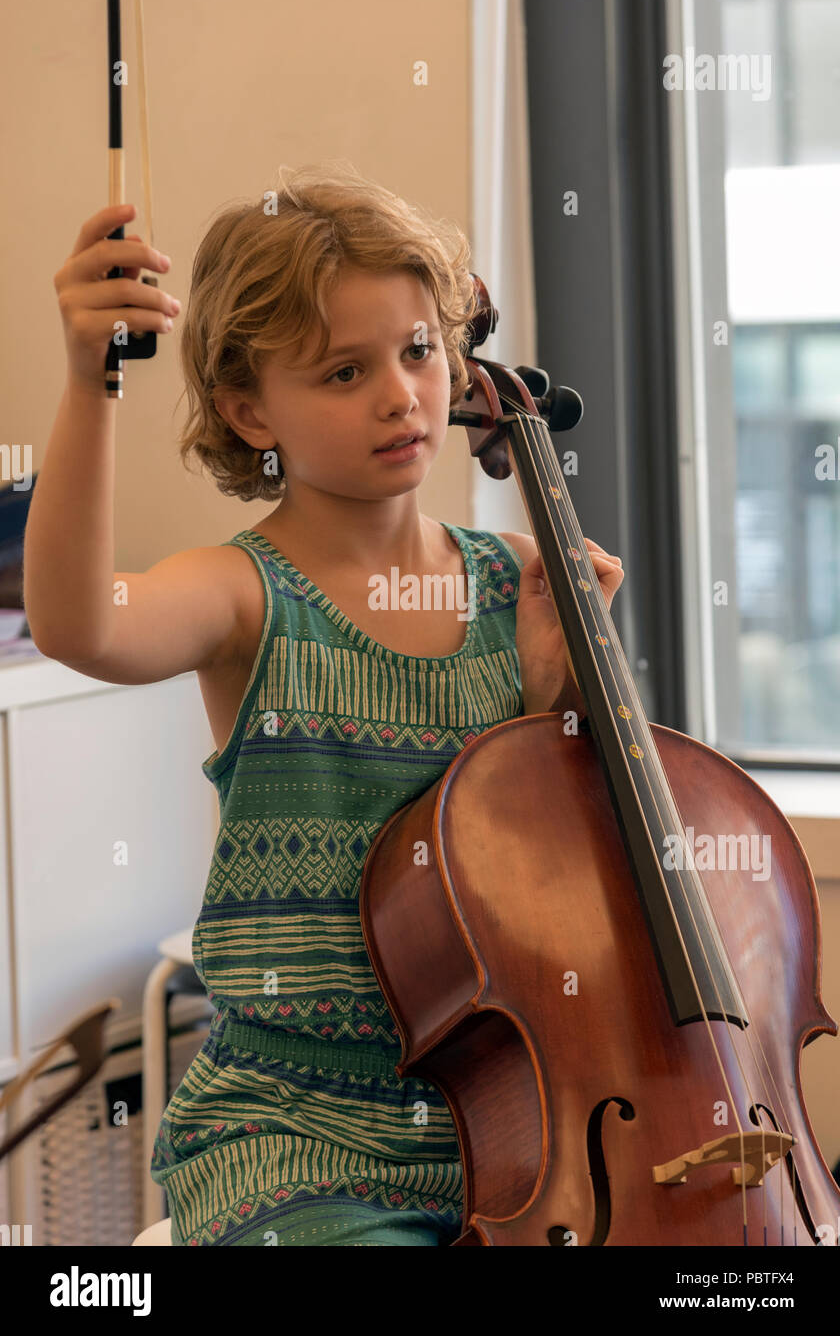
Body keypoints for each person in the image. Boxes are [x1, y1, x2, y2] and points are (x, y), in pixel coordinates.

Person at [27, 161, 624, 1245]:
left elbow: (578, 884)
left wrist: (558, 697)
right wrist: (88, 382)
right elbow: (83, 625)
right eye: (343, 373)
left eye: (418, 350)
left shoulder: (519, 583)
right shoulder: (245, 595)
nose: (401, 394)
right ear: (249, 408)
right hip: (297, 1136)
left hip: (517, 1116)